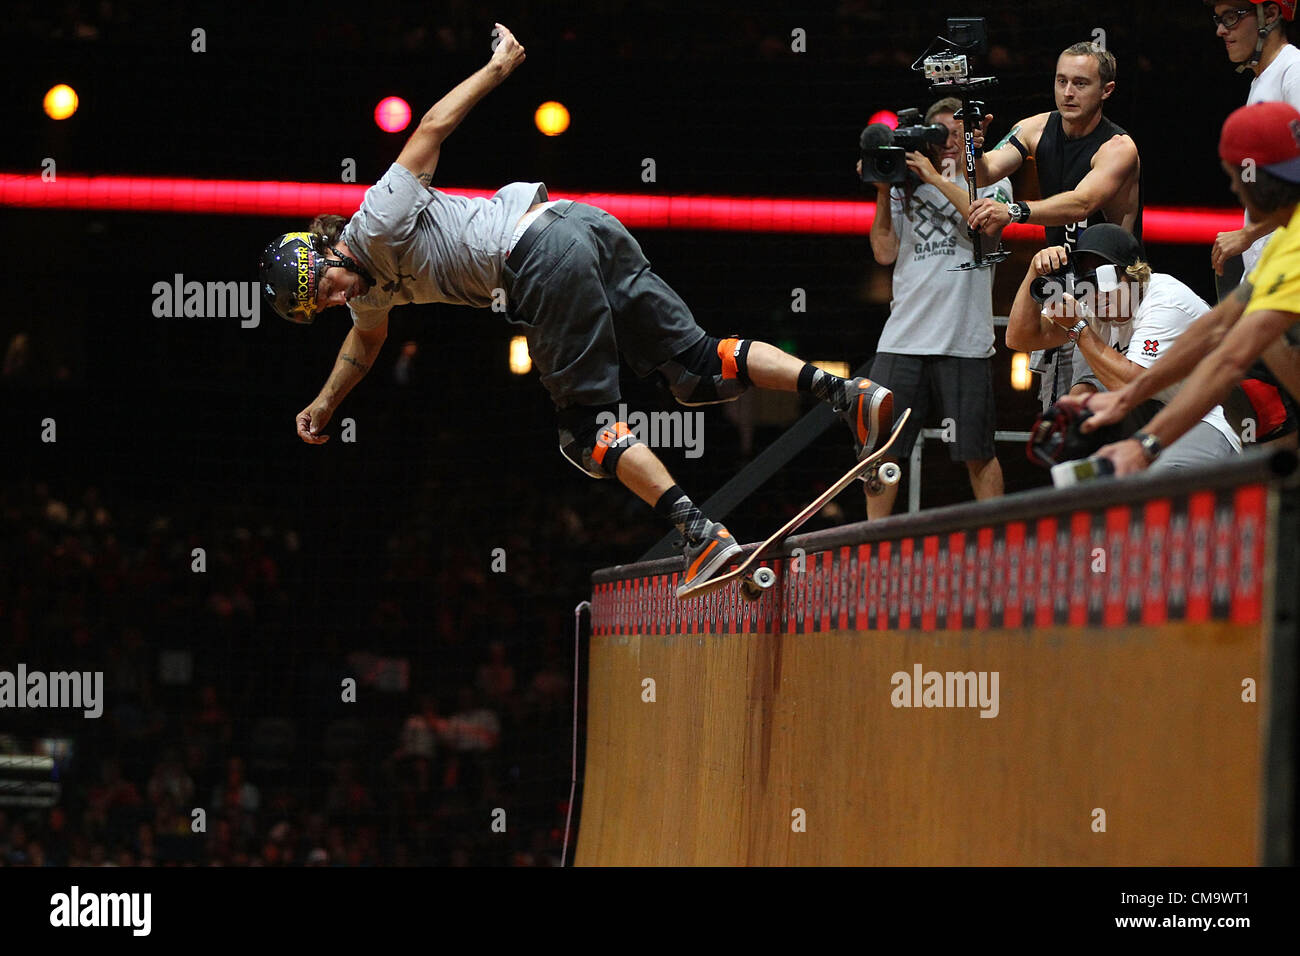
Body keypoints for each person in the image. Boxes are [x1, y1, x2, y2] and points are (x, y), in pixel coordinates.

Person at [257, 24, 892, 597]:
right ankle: (847, 394)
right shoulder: (366, 291)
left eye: (328, 284)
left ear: (322, 249)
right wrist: (326, 402)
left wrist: (496, 69)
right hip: (582, 223)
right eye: (326, 304)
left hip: (537, 259)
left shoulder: (375, 219)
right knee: (700, 371)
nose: (339, 298)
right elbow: (364, 344)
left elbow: (429, 130)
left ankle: (704, 537)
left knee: (585, 434)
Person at [1068, 101, 1300, 474]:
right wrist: (1127, 398)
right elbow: (1217, 325)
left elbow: (1231, 356)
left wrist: (1145, 446)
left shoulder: (1295, 249)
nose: (1233, 187)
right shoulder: (1286, 240)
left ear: (1258, 174)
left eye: (1235, 175)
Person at [966, 42, 1143, 412]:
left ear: (1106, 90)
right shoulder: (1034, 127)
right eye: (1061, 81)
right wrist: (974, 146)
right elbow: (985, 172)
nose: (1067, 92)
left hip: (1115, 293)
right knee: (1057, 410)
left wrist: (1012, 212)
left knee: (1099, 411)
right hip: (1061, 286)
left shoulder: (1119, 147)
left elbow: (1081, 203)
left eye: (1080, 83)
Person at [861, 96, 1011, 518]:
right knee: (881, 453)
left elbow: (981, 226)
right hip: (903, 339)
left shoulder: (993, 184)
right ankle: (874, 552)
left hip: (964, 340)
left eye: (959, 135)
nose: (949, 143)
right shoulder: (903, 185)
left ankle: (998, 548)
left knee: (977, 452)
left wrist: (934, 177)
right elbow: (884, 253)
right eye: (942, 134)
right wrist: (883, 190)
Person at [1007, 224, 1241, 470]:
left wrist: (1077, 328)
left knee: (1158, 483)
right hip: (1158, 416)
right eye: (1089, 282)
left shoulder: (1164, 302)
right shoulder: (1093, 301)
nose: (1099, 294)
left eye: (1107, 279)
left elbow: (1130, 383)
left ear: (1134, 275)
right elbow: (1020, 338)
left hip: (1212, 416)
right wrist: (1033, 272)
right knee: (1087, 470)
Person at [1207, 0, 1300, 448]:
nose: (1222, 30)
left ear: (1270, 16)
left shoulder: (1292, 70)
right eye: (1218, 19)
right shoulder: (1264, 80)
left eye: (1232, 17)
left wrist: (1249, 233)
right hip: (1267, 280)